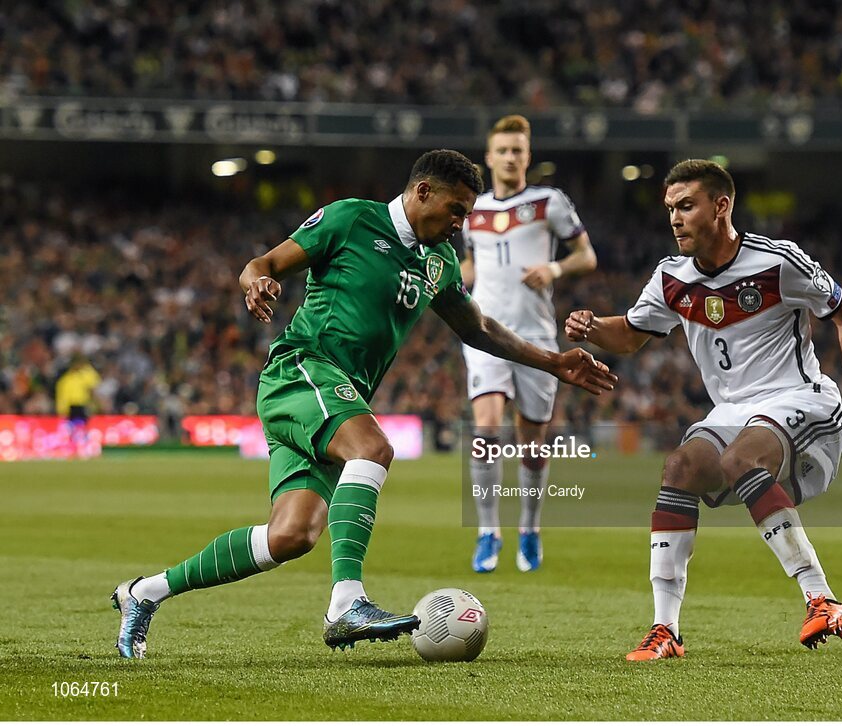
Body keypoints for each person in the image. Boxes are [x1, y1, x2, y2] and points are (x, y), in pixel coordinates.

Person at [111, 149, 616, 659]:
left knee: (292, 536)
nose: (461, 224)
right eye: (456, 210)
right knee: (372, 449)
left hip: (335, 396)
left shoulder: (437, 261)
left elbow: (479, 328)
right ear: (423, 192)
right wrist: (257, 283)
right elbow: (261, 264)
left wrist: (552, 362)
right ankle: (346, 604)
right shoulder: (351, 218)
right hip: (301, 371)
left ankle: (144, 592)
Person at [564, 159, 842, 660]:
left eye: (686, 205)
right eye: (670, 208)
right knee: (679, 467)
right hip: (733, 410)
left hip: (800, 397)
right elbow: (629, 334)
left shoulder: (778, 263)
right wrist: (590, 327)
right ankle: (664, 630)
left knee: (738, 460)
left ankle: (822, 600)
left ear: (721, 205)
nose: (674, 218)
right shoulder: (671, 278)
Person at [460, 115, 597, 573]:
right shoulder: (471, 210)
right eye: (502, 150)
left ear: (527, 155)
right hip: (483, 332)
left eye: (518, 150)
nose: (510, 157)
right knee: (485, 431)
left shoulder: (548, 202)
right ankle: (487, 531)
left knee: (533, 446)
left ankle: (530, 529)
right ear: (489, 157)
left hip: (535, 334)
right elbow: (469, 267)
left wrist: (554, 270)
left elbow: (586, 255)